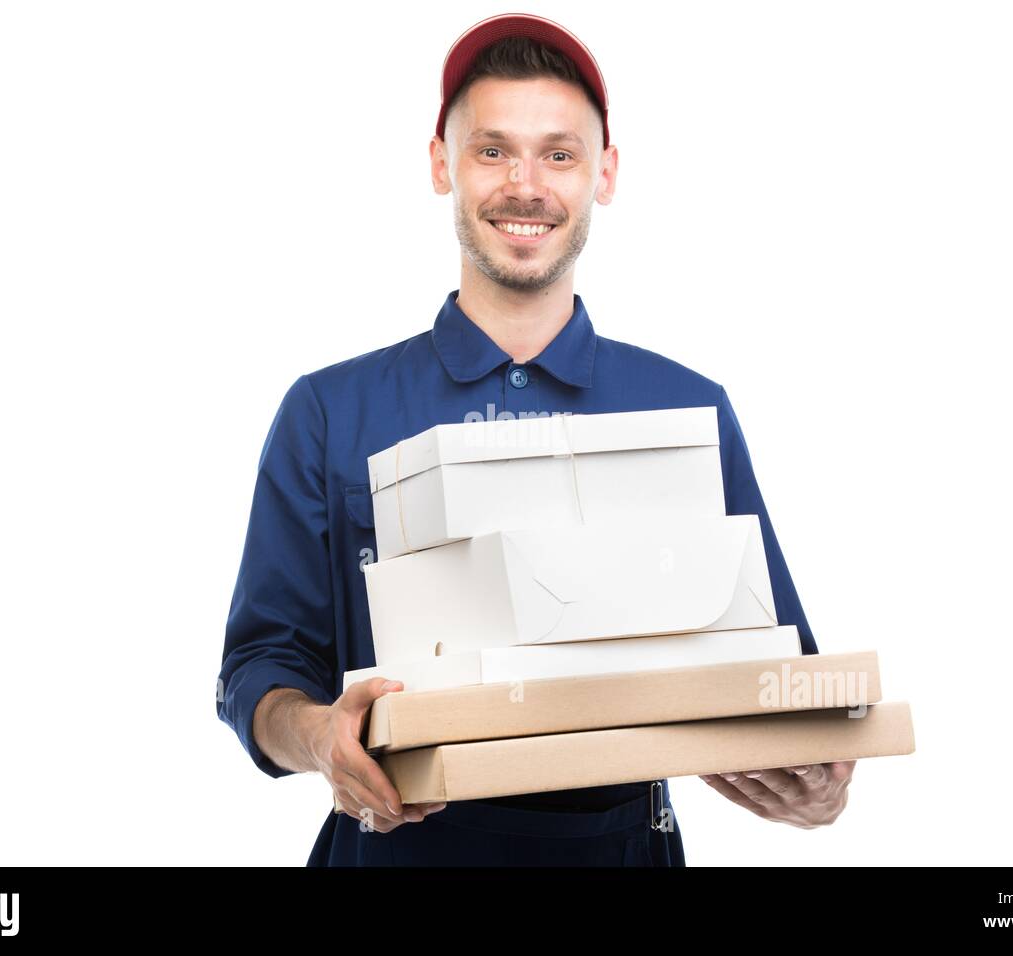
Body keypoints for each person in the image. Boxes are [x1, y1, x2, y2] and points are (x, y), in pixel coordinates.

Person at [216, 13, 854, 867]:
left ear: (605, 173)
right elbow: (259, 669)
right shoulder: (330, 410)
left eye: (559, 153)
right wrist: (317, 736)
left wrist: (818, 776)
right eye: (492, 150)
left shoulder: (686, 406)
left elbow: (786, 674)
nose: (526, 185)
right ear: (442, 164)